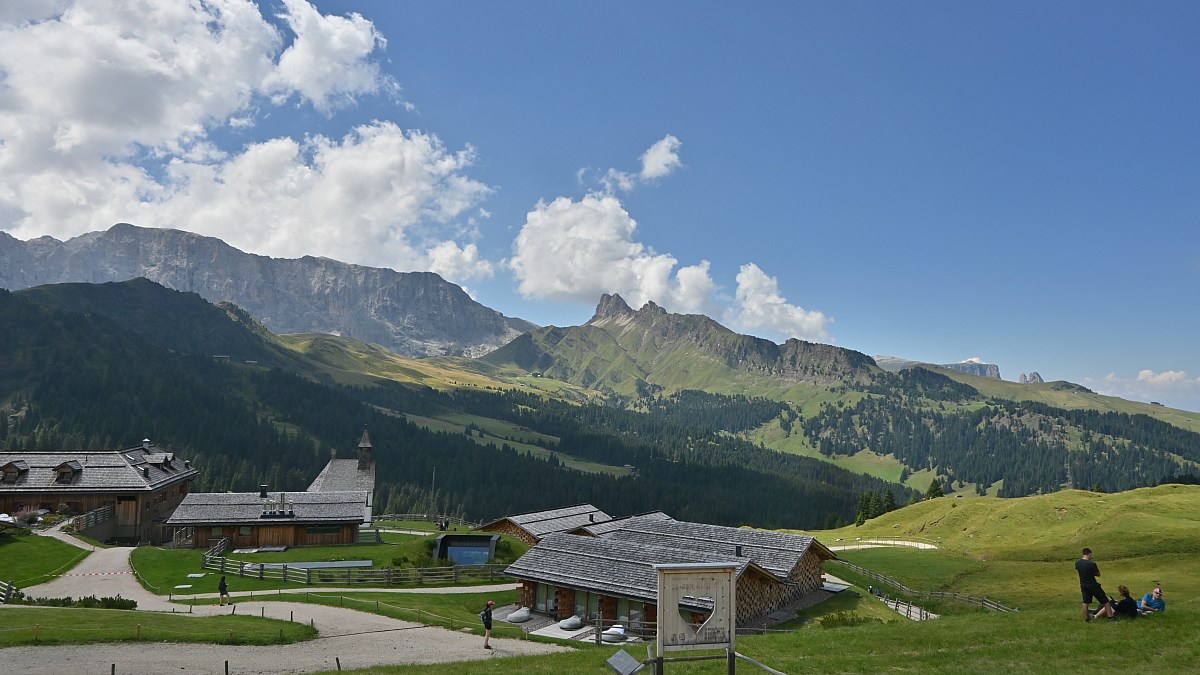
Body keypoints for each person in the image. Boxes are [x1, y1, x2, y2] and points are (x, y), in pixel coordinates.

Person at [1075, 548, 1110, 622]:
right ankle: (1111, 618)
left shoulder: (1078, 563)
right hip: (1093, 585)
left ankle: (1087, 619)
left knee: (1085, 602)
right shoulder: (1092, 564)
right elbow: (1098, 574)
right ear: (1089, 554)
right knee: (1105, 602)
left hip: (1083, 584)